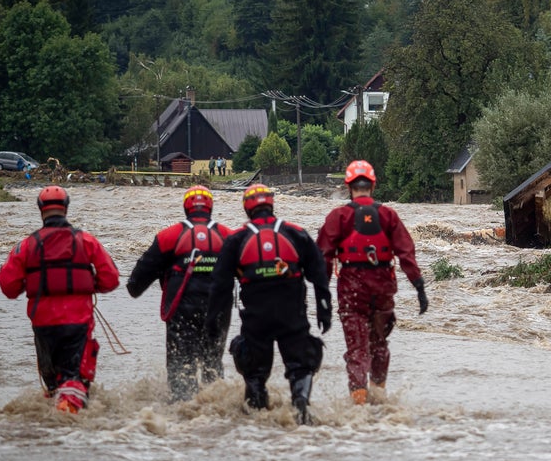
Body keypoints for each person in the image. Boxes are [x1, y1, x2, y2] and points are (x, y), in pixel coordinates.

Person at [207, 184, 331, 424]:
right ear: (271, 205)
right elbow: (320, 276)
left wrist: (214, 322)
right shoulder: (296, 233)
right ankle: (301, 405)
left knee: (253, 371)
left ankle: (256, 420)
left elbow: (219, 287)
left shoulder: (236, 240)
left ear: (247, 208)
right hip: (292, 316)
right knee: (301, 366)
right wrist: (325, 310)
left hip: (257, 319)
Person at [0, 185, 120, 413]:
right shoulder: (87, 240)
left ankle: (54, 423)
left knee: (53, 383)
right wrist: (87, 285)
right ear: (66, 208)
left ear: (40, 209)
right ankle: (70, 421)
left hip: (43, 325)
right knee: (75, 379)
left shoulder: (24, 246)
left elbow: (8, 287)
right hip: (78, 322)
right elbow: (111, 278)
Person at [316, 160, 427, 406]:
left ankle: (359, 407)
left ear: (349, 187)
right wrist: (419, 287)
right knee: (379, 345)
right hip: (382, 288)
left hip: (352, 288)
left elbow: (322, 256)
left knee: (357, 348)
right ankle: (379, 398)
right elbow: (406, 252)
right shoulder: (388, 215)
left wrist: (321, 296)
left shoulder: (339, 216)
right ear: (373, 185)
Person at [125, 186, 234, 401]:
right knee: (212, 363)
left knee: (181, 367)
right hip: (217, 313)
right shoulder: (228, 237)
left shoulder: (168, 237)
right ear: (210, 207)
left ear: (186, 207)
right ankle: (217, 409)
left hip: (181, 313)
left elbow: (135, 284)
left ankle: (182, 413)